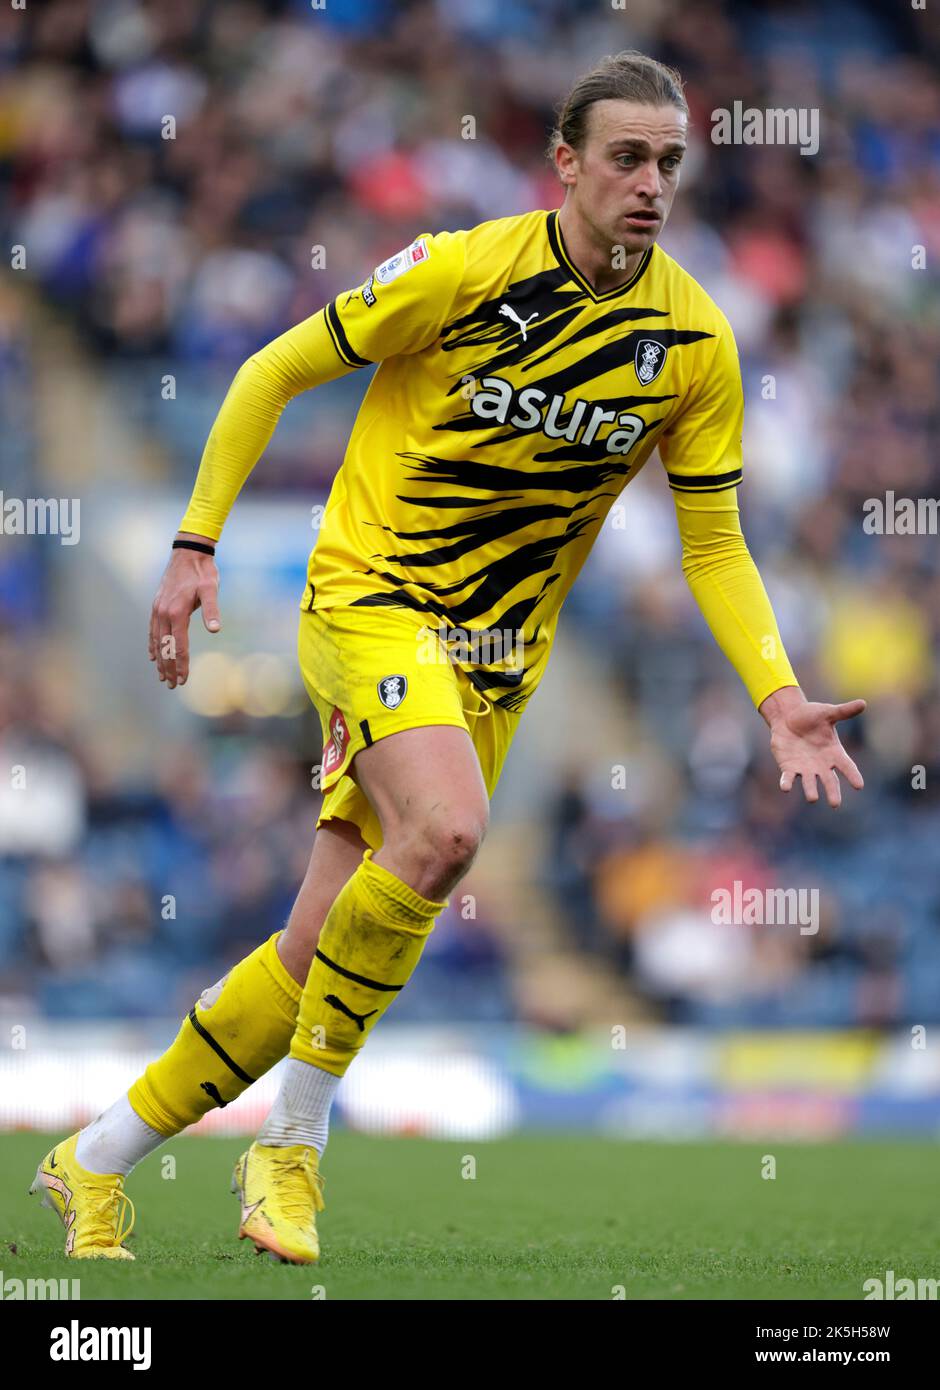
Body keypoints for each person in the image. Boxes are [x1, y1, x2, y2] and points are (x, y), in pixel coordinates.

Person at [31, 50, 864, 1262]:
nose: (649, 184)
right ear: (564, 163)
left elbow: (717, 546)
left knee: (319, 950)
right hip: (369, 596)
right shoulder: (465, 269)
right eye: (624, 157)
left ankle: (93, 1157)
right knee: (448, 832)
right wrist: (193, 540)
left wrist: (777, 693)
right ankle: (295, 1148)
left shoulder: (690, 342)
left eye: (669, 164)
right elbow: (276, 369)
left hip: (494, 659)